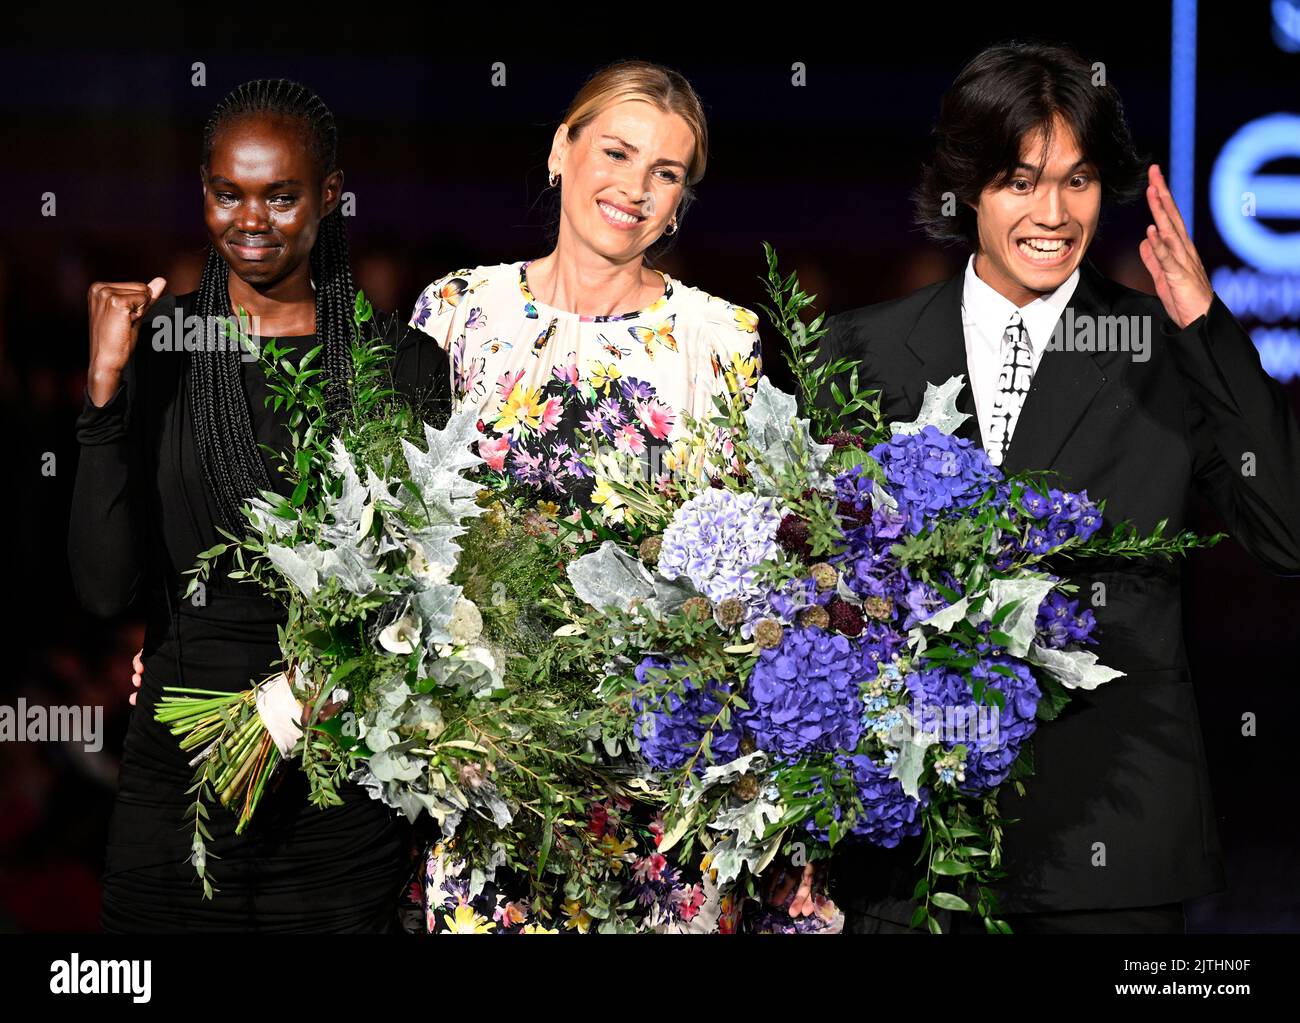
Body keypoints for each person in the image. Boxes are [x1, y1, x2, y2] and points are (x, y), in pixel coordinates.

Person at [810, 41, 1300, 935]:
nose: (1053, 212)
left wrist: (1206, 327)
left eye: (1076, 182)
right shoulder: (859, 350)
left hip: (1104, 841)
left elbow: (1289, 533)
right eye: (1021, 180)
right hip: (904, 846)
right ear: (965, 187)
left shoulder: (1162, 346)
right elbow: (807, 582)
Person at [403, 59, 814, 934]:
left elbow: (752, 573)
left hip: (656, 796)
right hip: (484, 783)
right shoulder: (454, 314)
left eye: (665, 173)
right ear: (562, 148)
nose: (634, 188)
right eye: (618, 153)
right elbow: (403, 538)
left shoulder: (720, 340)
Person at [69, 79, 450, 932]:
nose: (251, 220)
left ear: (328, 194)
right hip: (178, 782)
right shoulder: (158, 353)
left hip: (339, 790)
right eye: (227, 192)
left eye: (281, 195)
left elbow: (424, 596)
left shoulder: (403, 366)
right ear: (202, 192)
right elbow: (104, 589)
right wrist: (101, 397)